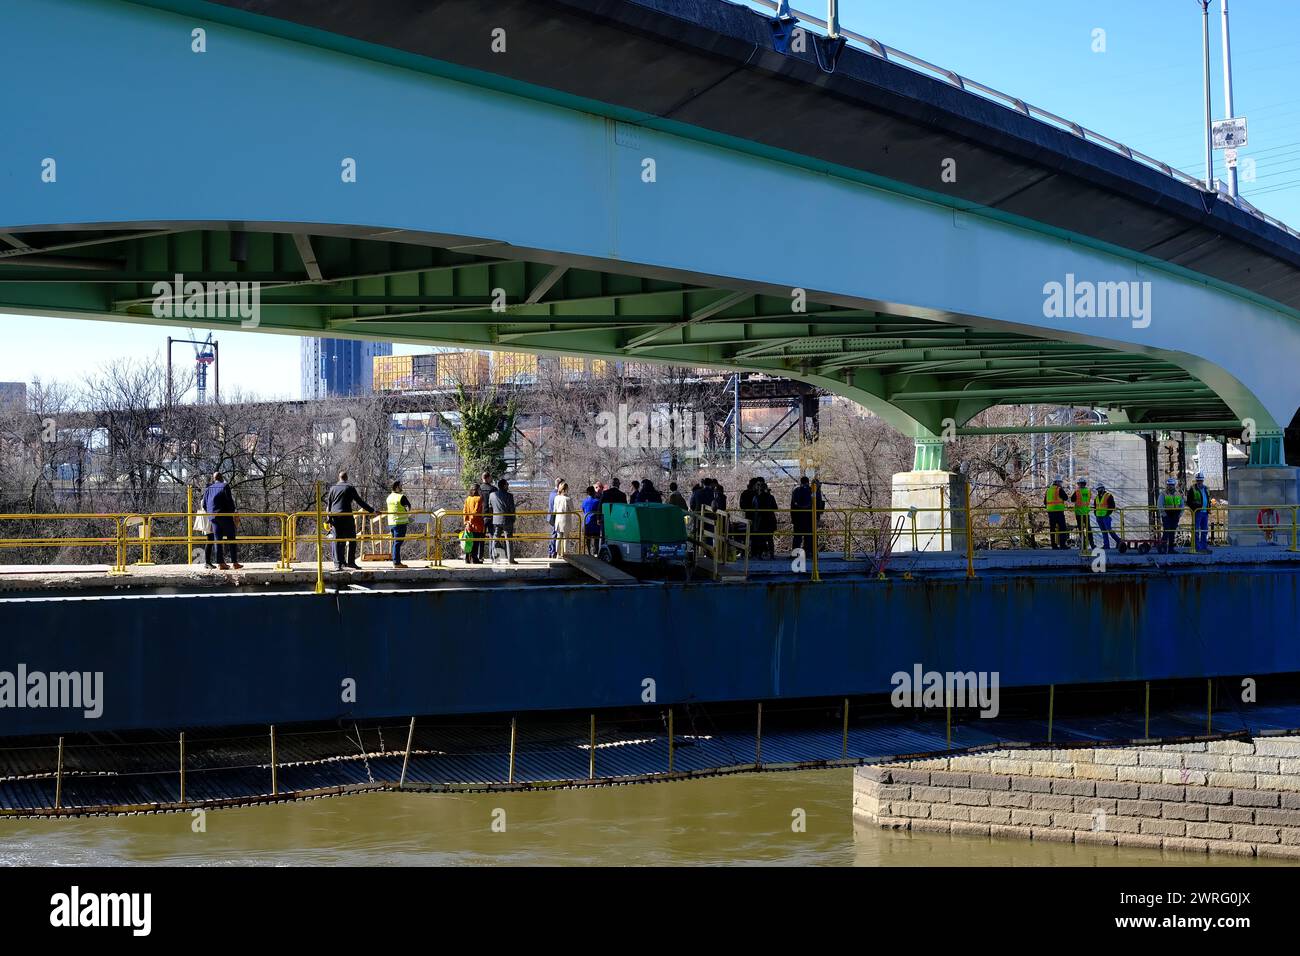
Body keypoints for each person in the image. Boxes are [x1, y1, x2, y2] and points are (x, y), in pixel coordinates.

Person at [326, 471, 375, 571]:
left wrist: (329, 520)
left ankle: (338, 564)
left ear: (338, 477)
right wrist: (372, 511)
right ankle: (351, 562)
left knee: (337, 541)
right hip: (347, 517)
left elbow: (329, 506)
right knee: (352, 539)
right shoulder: (349, 487)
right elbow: (359, 501)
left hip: (335, 517)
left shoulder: (332, 488)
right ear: (347, 478)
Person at [202, 471, 241, 571]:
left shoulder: (208, 488)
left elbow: (204, 505)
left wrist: (210, 513)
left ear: (214, 479)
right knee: (231, 537)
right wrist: (232, 512)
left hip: (213, 517)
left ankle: (221, 563)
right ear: (222, 478)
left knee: (217, 540)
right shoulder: (225, 486)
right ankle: (234, 562)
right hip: (224, 515)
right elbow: (229, 502)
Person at [488, 478, 518, 564]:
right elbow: (512, 509)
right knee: (508, 540)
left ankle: (494, 558)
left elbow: (490, 507)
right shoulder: (509, 496)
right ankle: (510, 559)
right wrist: (513, 518)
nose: (508, 486)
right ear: (504, 485)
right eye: (507, 484)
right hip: (507, 520)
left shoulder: (492, 495)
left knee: (495, 539)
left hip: (496, 520)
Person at [386, 479, 412, 568]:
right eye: (401, 486)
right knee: (397, 543)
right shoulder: (401, 497)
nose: (402, 488)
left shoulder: (389, 497)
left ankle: (395, 562)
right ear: (397, 487)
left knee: (395, 543)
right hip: (400, 523)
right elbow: (409, 507)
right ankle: (396, 563)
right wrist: (407, 512)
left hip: (391, 523)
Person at [1186, 471, 1213, 554]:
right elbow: (1189, 502)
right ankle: (1197, 547)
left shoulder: (1206, 489)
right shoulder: (1192, 489)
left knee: (1204, 530)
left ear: (1203, 480)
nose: (1199, 482)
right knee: (1196, 530)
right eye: (1198, 480)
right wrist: (1195, 507)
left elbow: (1208, 499)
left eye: (1200, 480)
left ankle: (1204, 547)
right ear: (1196, 480)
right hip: (1197, 513)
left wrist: (1209, 507)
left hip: (1205, 512)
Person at [790, 476, 815, 558]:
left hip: (798, 517)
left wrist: (793, 518)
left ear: (801, 482)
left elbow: (792, 505)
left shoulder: (796, 491)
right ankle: (808, 553)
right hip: (809, 517)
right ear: (808, 482)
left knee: (797, 537)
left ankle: (795, 553)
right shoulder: (812, 490)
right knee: (808, 537)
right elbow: (816, 503)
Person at [462, 483, 486, 564]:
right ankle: (474, 559)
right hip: (476, 524)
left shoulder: (468, 498)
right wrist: (471, 522)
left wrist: (466, 522)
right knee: (475, 542)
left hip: (468, 524)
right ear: (478, 490)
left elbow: (464, 511)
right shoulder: (479, 499)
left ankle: (467, 558)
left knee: (469, 542)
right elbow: (475, 512)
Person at [1159, 477, 1183, 554]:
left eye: (1172, 485)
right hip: (1167, 515)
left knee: (1172, 532)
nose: (1170, 486)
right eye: (1169, 485)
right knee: (1166, 531)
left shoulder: (1178, 494)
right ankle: (1162, 548)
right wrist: (1164, 514)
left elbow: (1182, 505)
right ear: (1167, 485)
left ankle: (1171, 549)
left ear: (1174, 485)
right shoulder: (1163, 494)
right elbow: (1160, 505)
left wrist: (1180, 515)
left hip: (1175, 515)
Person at [754, 478, 778, 559]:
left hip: (760, 521)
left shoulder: (756, 497)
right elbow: (775, 508)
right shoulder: (771, 497)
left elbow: (753, 507)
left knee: (761, 539)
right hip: (770, 520)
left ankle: (760, 555)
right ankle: (771, 555)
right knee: (770, 539)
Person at [553, 481, 577, 557]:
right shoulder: (568, 499)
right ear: (566, 489)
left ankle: (557, 554)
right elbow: (572, 510)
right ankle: (565, 554)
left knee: (558, 537)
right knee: (566, 537)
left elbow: (554, 510)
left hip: (558, 520)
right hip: (566, 520)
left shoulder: (556, 498)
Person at [1044, 475, 1068, 550]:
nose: (1061, 483)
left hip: (1050, 512)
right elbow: (1066, 497)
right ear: (1057, 482)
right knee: (1062, 528)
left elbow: (1045, 501)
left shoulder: (1048, 490)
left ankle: (1053, 545)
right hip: (1059, 512)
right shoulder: (1059, 489)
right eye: (1060, 482)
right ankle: (1062, 544)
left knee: (1052, 529)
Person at [1070, 477, 1094, 551]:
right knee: (1088, 529)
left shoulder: (1077, 492)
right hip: (1086, 512)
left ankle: (1083, 544)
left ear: (1079, 484)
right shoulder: (1088, 491)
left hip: (1079, 513)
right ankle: (1092, 544)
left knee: (1081, 529)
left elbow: (1072, 499)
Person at [1093, 482, 1118, 550]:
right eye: (1098, 489)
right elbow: (1095, 506)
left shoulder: (1108, 495)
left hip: (1105, 516)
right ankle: (1106, 545)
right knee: (1103, 531)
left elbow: (1112, 506)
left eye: (1100, 489)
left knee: (1109, 529)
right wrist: (1095, 513)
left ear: (1103, 489)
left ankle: (1118, 541)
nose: (1099, 490)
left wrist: (1107, 513)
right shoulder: (1096, 498)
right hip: (1099, 517)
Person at [581, 485, 602, 554]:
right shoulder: (597, 501)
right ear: (593, 492)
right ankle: (596, 552)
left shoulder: (584, 501)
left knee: (588, 539)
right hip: (595, 523)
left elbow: (583, 510)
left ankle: (589, 552)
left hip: (587, 522)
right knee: (596, 539)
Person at [545, 477, 563, 558]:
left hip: (551, 517)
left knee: (554, 534)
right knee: (555, 534)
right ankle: (552, 551)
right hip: (555, 517)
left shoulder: (552, 493)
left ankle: (552, 551)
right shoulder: (557, 494)